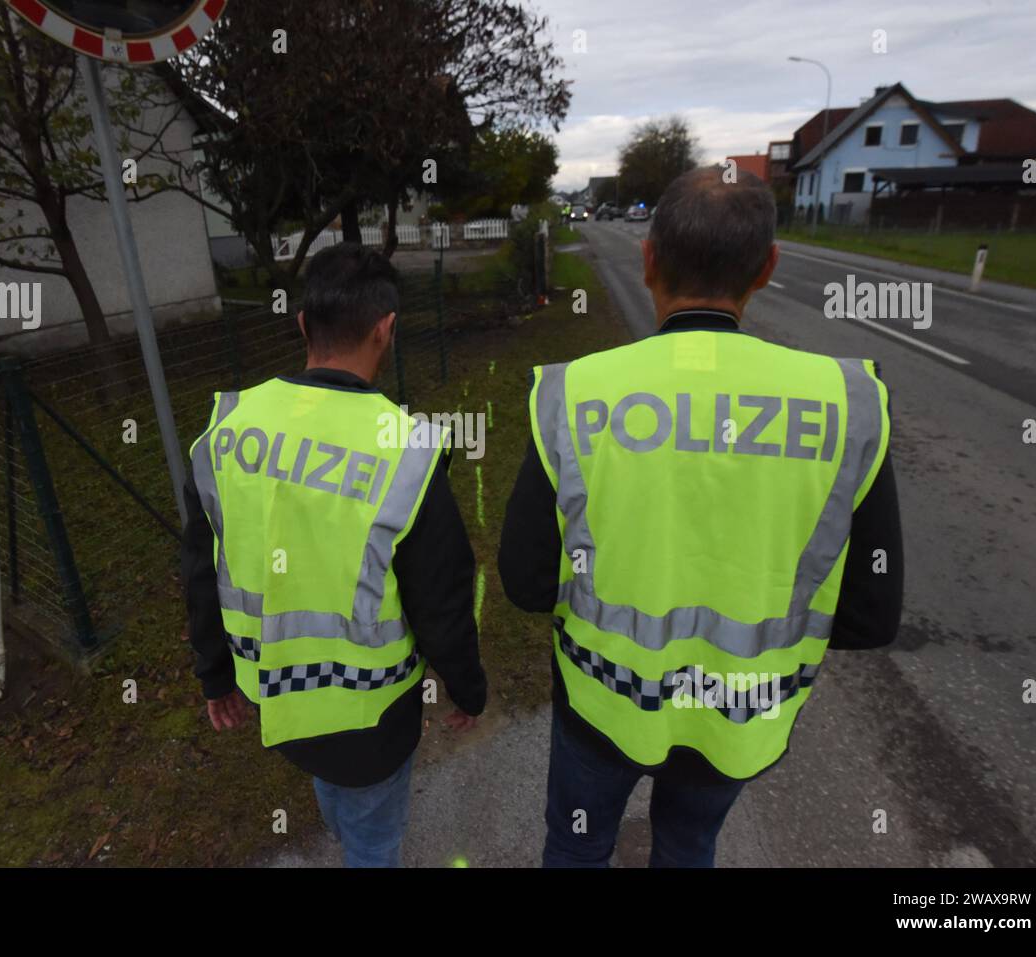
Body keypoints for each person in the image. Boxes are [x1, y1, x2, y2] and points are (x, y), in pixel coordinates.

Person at [498, 167, 903, 868]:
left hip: (602, 706)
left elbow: (526, 582)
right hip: (738, 717)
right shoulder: (848, 404)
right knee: (688, 844)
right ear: (768, 267)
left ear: (648, 259)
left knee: (577, 844)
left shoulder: (574, 395)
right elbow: (871, 620)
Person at [183, 242, 486, 868]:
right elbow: (444, 596)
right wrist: (466, 688)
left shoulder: (228, 427)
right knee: (374, 842)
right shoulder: (407, 450)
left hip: (277, 695)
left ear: (302, 325)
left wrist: (215, 674)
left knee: (340, 805)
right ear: (387, 329)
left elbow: (200, 565)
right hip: (371, 716)